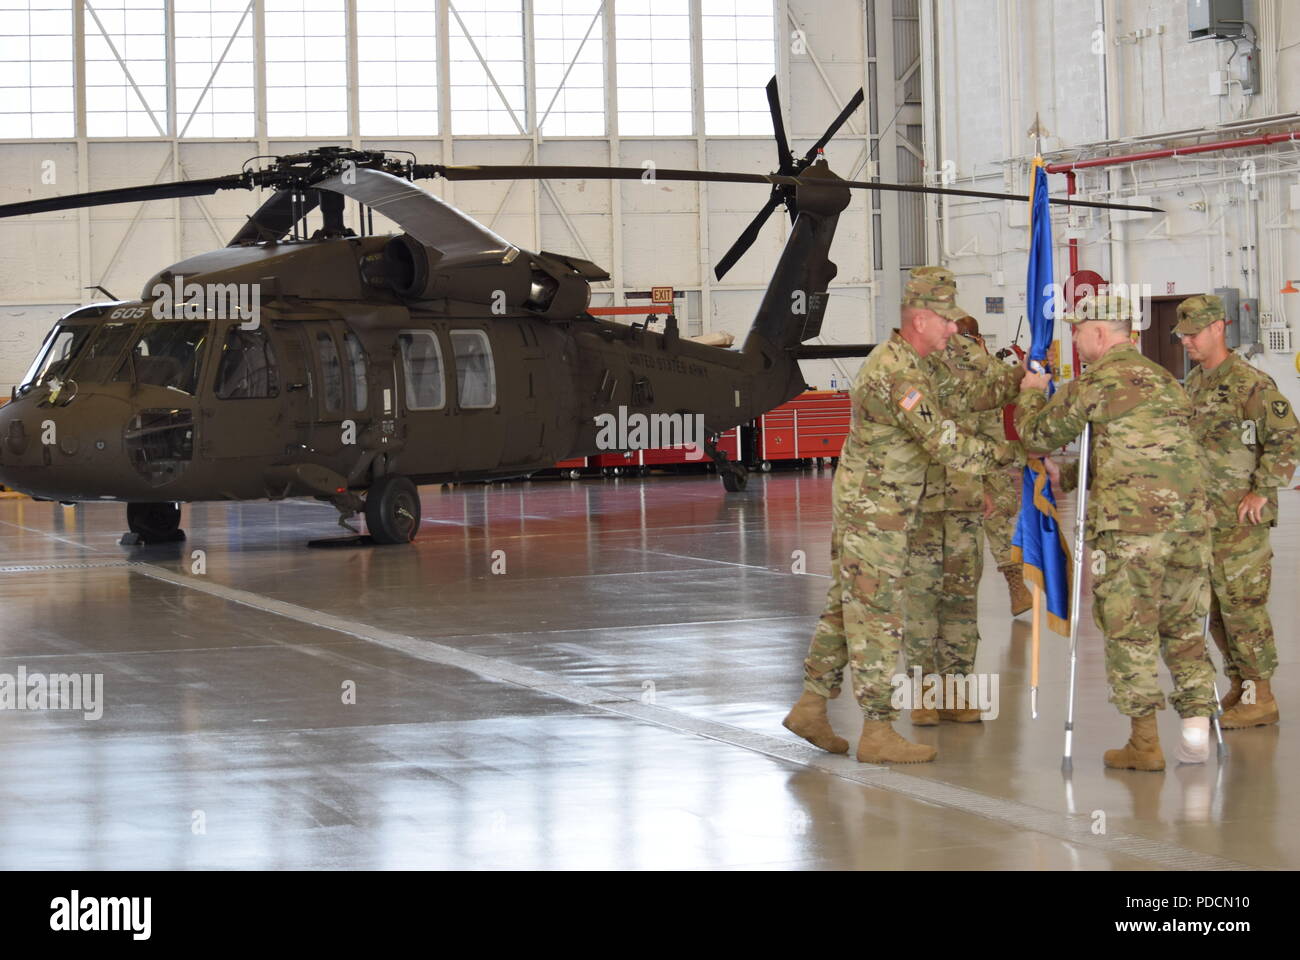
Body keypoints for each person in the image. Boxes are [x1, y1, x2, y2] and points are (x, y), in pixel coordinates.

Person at [783, 266, 1021, 764]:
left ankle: (811, 705)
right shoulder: (899, 373)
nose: (954, 330)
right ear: (920, 319)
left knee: (842, 610)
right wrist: (1013, 458)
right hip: (877, 514)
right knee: (877, 617)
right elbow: (944, 441)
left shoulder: (906, 363)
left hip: (873, 507)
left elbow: (964, 401)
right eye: (947, 321)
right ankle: (877, 728)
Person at [1016, 294, 1217, 770]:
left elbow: (1035, 434)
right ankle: (1195, 734)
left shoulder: (1098, 382)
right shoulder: (1169, 381)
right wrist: (1067, 473)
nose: (1075, 340)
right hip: (1190, 526)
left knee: (1131, 630)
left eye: (1078, 331)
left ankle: (1144, 744)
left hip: (1131, 532)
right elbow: (1136, 452)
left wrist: (1033, 388)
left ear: (1100, 333)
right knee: (1186, 627)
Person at [1177, 294, 1298, 728]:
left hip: (1241, 523)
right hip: (1203, 521)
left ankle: (1261, 694)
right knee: (1215, 611)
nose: (1187, 341)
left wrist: (1262, 489)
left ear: (1218, 328)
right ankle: (1241, 684)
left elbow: (1287, 438)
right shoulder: (1193, 384)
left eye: (1193, 334)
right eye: (1183, 335)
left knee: (1244, 608)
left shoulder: (1252, 383)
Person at [903, 318, 1025, 724]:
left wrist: (991, 486)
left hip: (964, 499)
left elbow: (983, 422)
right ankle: (922, 695)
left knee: (960, 602)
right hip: (919, 503)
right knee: (922, 599)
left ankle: (956, 692)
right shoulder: (902, 370)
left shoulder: (965, 369)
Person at [952, 317, 1033, 617]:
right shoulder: (979, 368)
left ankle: (1013, 586)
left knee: (994, 513)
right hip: (969, 457)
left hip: (979, 456)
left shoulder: (978, 368)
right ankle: (1013, 585)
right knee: (991, 515)